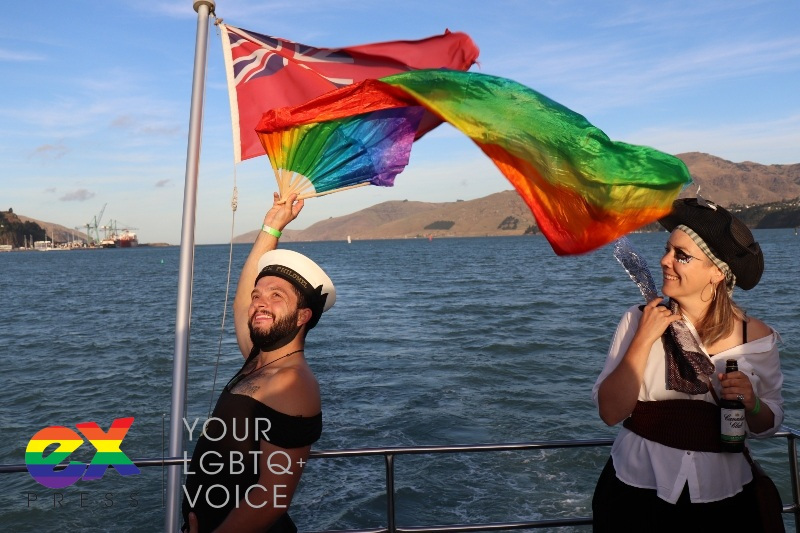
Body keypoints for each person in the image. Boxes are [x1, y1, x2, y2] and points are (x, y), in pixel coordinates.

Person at [591, 197, 784, 531]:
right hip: (634, 492)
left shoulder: (757, 337)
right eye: (667, 250)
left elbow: (767, 427)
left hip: (724, 499)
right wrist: (643, 339)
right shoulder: (638, 320)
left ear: (717, 274)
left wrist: (752, 403)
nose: (665, 261)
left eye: (681, 255)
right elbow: (610, 413)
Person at [182, 193, 334, 533]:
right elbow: (240, 303)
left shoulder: (292, 382)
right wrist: (273, 226)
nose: (260, 303)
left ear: (302, 316)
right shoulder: (260, 359)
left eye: (276, 296)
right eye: (258, 296)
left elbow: (272, 496)